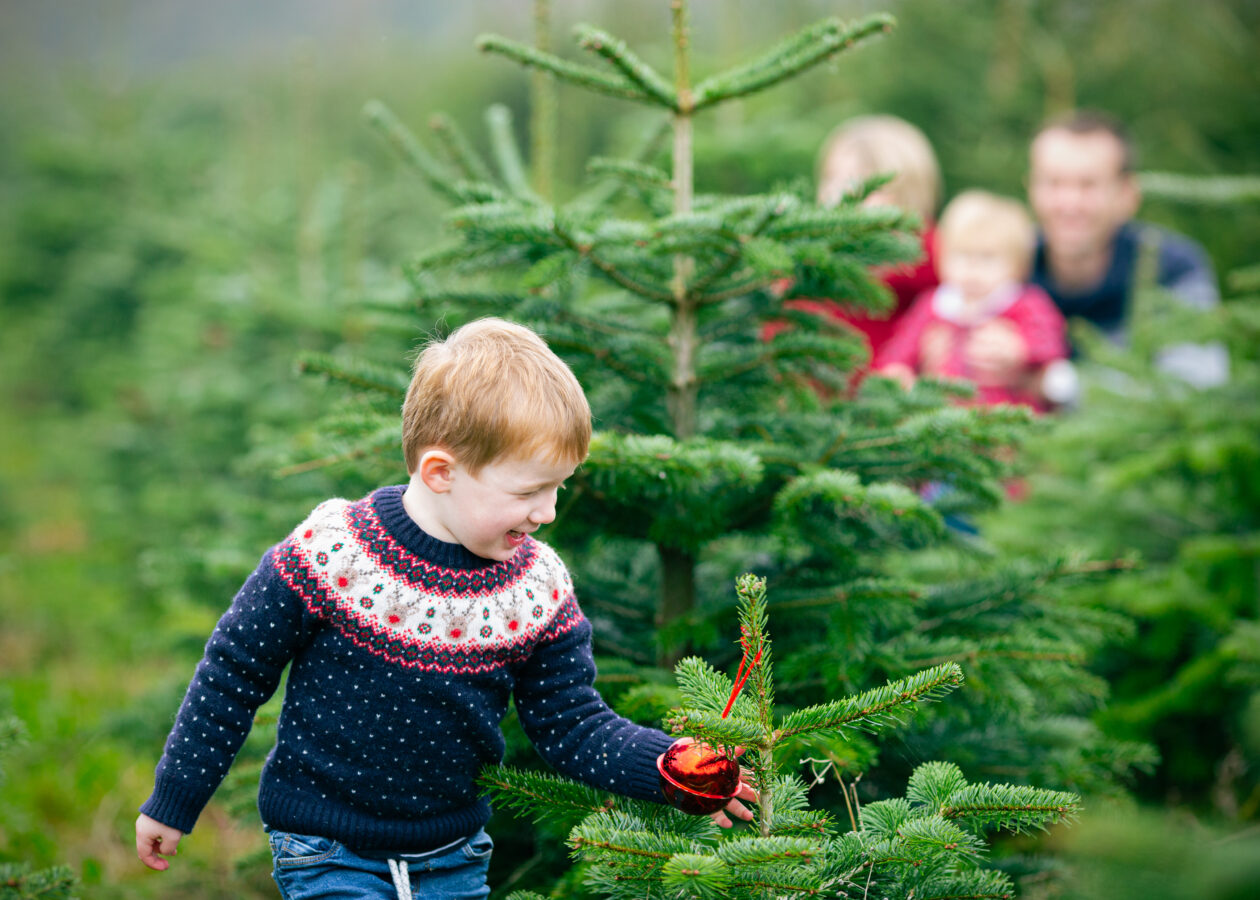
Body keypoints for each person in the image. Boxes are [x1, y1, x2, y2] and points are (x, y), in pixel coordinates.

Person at [135, 318, 755, 899]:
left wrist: (667, 766)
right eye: (529, 490)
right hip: (326, 848)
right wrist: (176, 798)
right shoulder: (330, 556)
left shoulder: (533, 589)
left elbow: (572, 722)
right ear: (440, 472)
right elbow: (233, 673)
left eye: (559, 487)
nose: (548, 511)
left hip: (453, 859)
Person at [968, 110, 1226, 400]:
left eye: (1088, 185)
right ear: (1031, 188)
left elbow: (1196, 389)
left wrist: (1053, 384)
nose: (1069, 203)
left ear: (1128, 195)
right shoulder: (1002, 263)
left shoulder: (1171, 267)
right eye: (1053, 183)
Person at [766, 114, 943, 364]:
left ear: (908, 191)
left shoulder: (943, 269)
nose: (839, 193)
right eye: (831, 178)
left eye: (862, 182)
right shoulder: (809, 265)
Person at [875, 190, 1069, 412]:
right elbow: (900, 349)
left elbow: (1052, 344)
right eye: (961, 255)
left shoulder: (1023, 304)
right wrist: (899, 374)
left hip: (1006, 420)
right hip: (941, 421)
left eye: (987, 258)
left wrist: (1022, 350)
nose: (971, 269)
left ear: (1018, 265)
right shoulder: (934, 306)